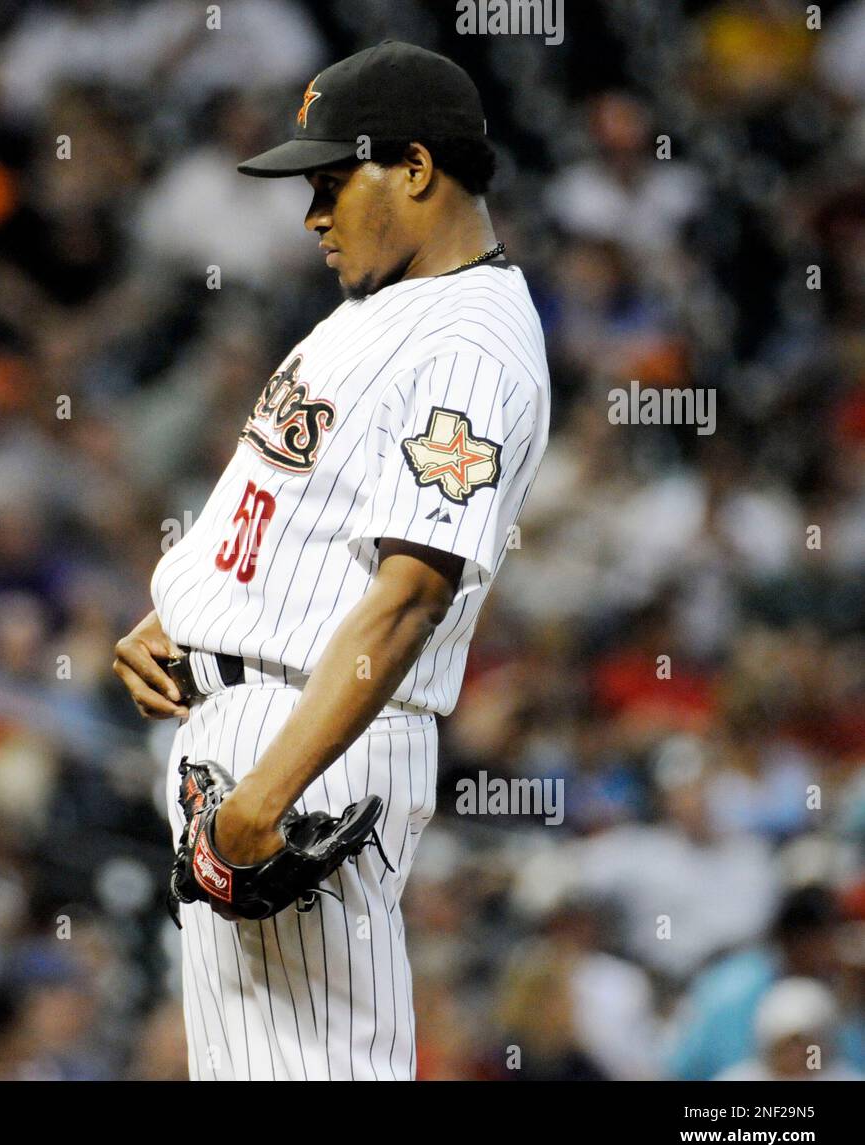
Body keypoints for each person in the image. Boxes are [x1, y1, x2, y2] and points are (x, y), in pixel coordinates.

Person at [113, 41, 550, 1080]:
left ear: (412, 167)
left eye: (327, 181)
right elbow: (301, 501)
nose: (310, 213)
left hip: (303, 747)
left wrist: (264, 798)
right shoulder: (383, 313)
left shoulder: (470, 341)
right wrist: (191, 602)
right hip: (250, 728)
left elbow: (409, 597)